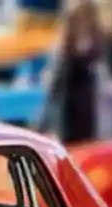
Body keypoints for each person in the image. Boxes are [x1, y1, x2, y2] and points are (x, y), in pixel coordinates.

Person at [40, 0, 107, 144]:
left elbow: (103, 75)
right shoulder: (64, 45)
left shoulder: (97, 39)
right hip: (69, 108)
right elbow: (54, 84)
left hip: (88, 105)